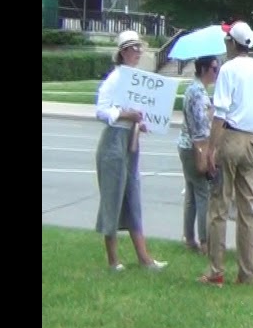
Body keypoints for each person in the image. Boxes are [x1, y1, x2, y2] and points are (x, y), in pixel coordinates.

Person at [197, 21, 253, 286]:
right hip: (251, 139)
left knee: (219, 207)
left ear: (232, 43)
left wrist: (211, 149)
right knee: (246, 209)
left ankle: (216, 270)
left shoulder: (228, 70)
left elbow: (220, 113)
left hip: (230, 136)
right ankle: (247, 271)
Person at [93, 30, 167, 272]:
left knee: (132, 197)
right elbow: (102, 111)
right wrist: (127, 115)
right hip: (114, 142)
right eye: (133, 48)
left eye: (139, 48)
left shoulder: (134, 78)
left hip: (130, 141)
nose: (138, 53)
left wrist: (141, 122)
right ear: (123, 52)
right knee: (112, 198)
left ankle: (144, 257)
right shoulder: (115, 79)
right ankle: (113, 260)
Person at [178, 55, 220, 253]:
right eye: (214, 68)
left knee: (192, 194)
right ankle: (204, 242)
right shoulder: (197, 93)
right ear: (203, 69)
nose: (216, 72)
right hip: (196, 147)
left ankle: (189, 237)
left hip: (188, 144)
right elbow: (202, 126)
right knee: (202, 192)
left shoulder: (196, 90)